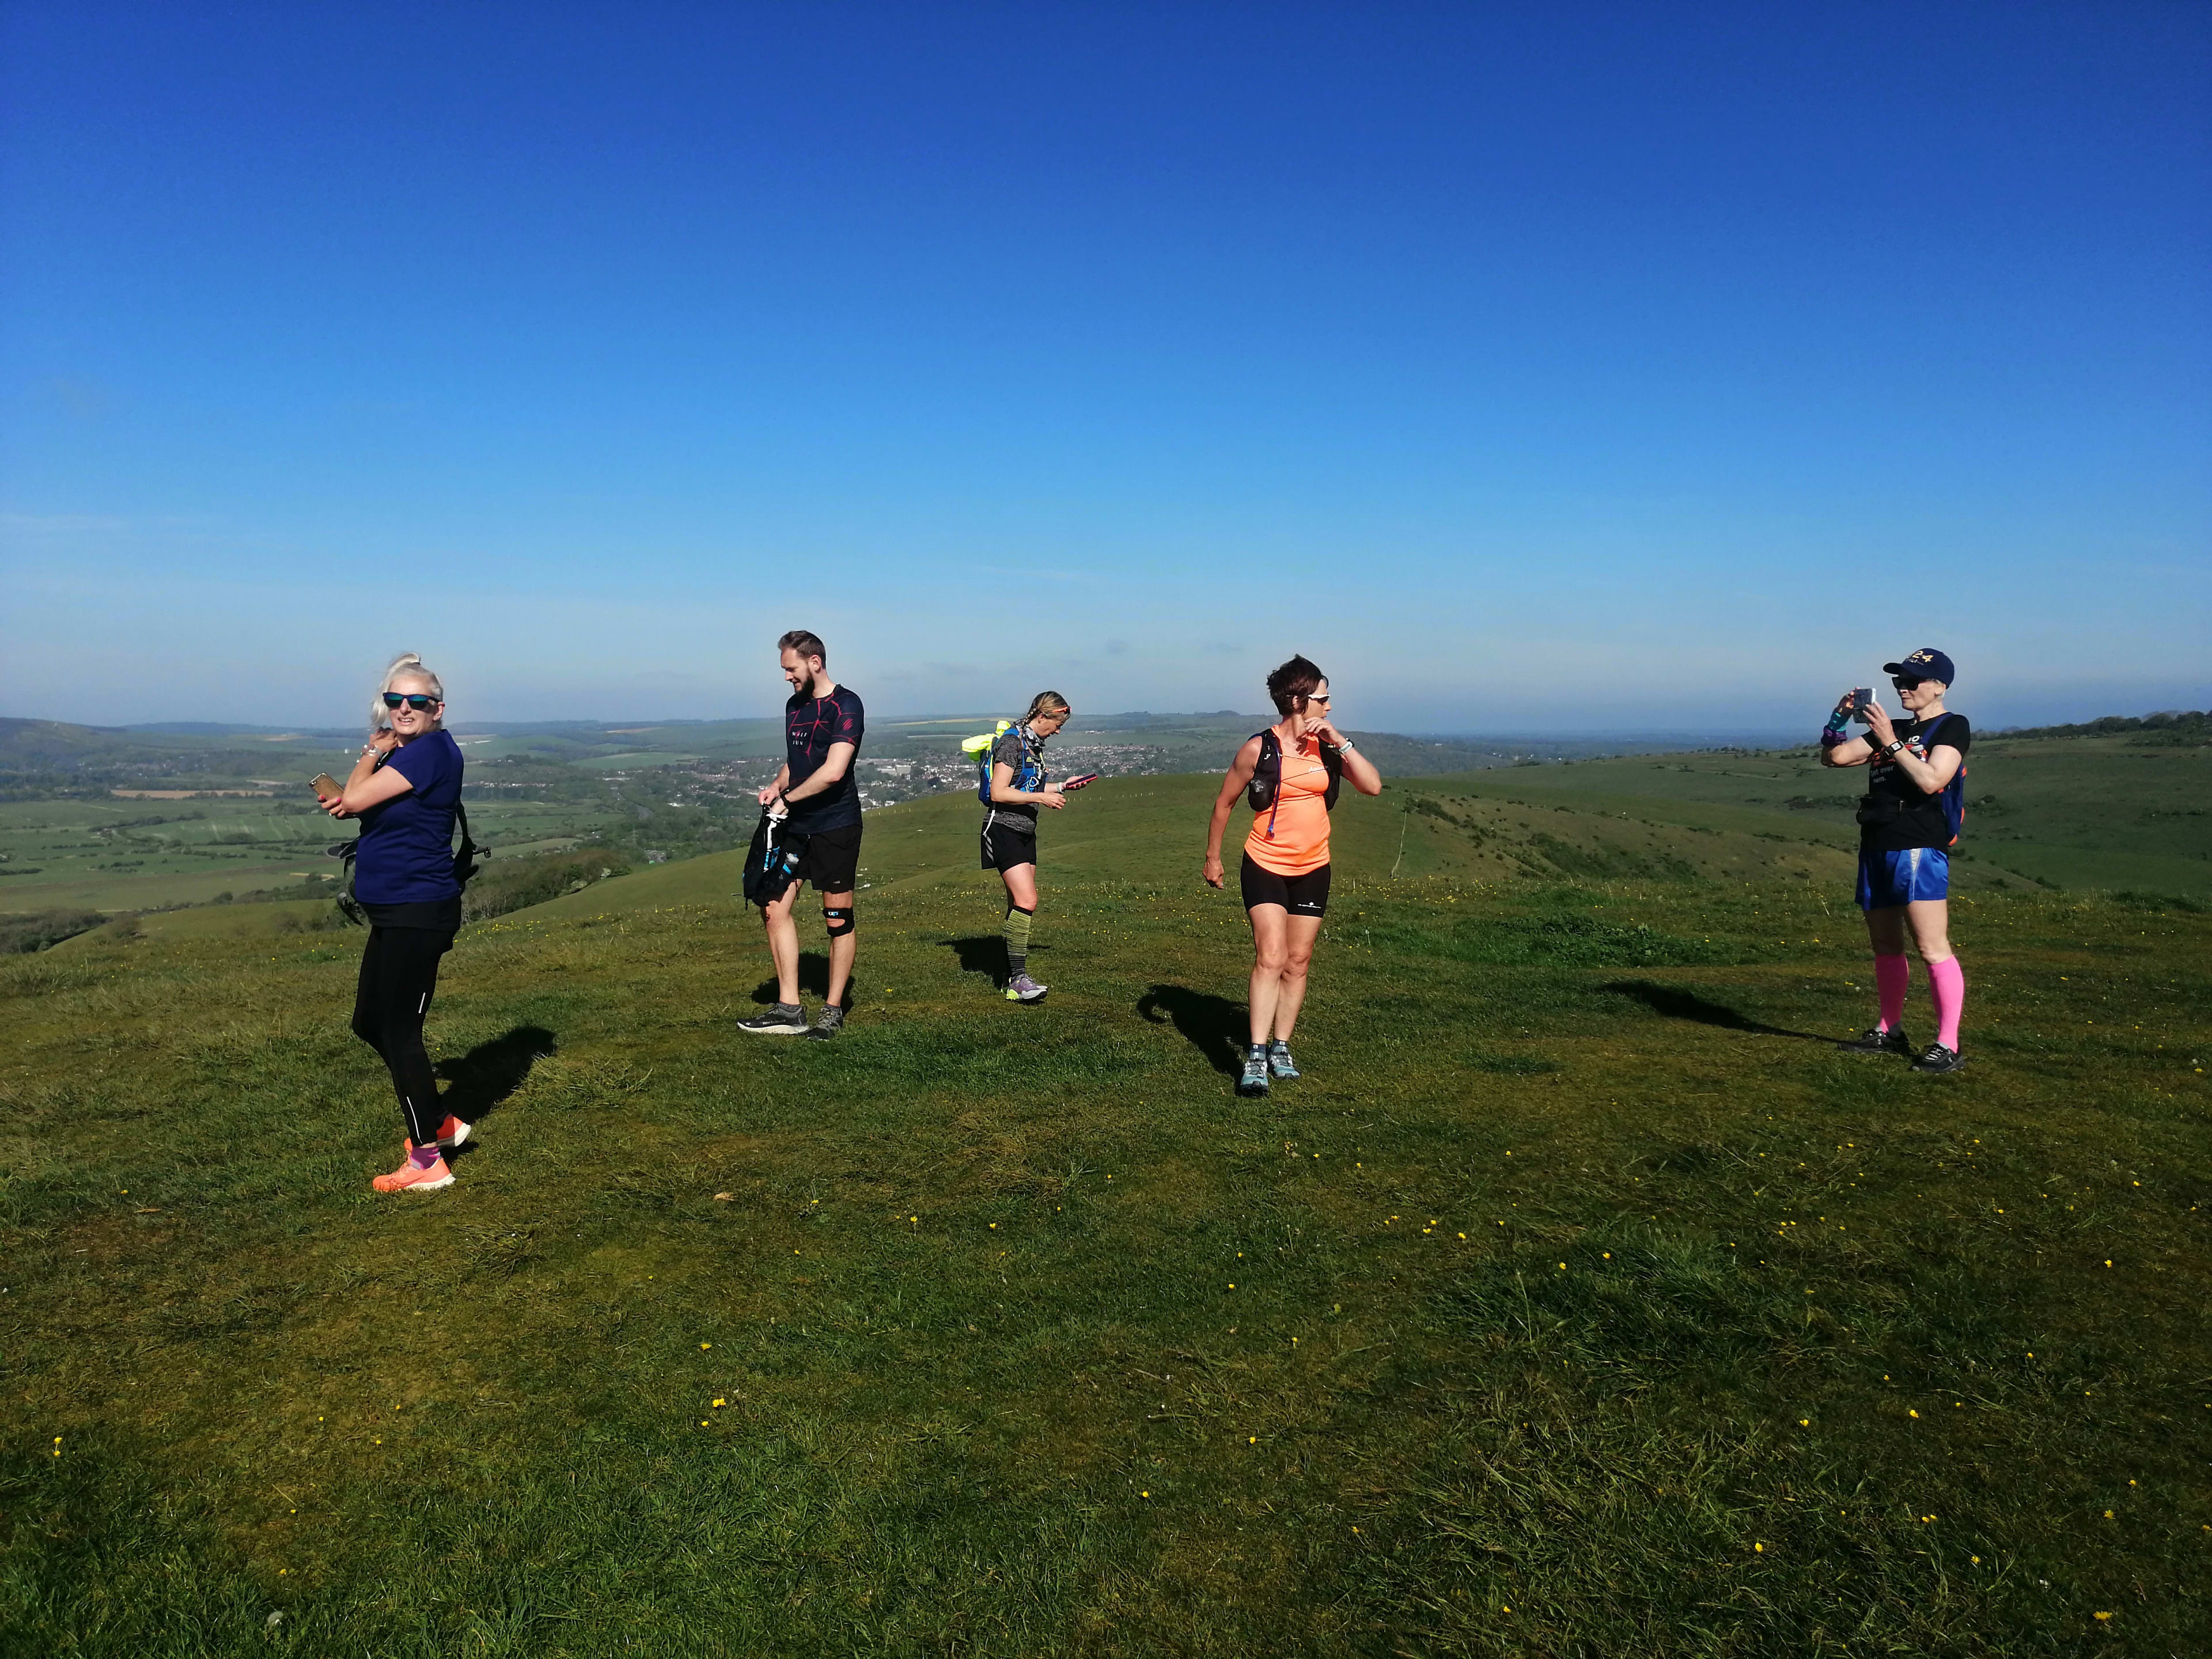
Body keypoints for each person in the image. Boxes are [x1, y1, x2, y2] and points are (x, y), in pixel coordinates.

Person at [319, 653, 471, 1192]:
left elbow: (356, 800)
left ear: (438, 710)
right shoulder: (412, 752)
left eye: (418, 702)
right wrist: (379, 759)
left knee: (399, 1031)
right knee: (368, 1022)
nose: (405, 709)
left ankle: (429, 1161)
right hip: (395, 909)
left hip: (418, 910)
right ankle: (439, 1122)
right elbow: (358, 802)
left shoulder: (426, 752)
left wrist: (371, 753)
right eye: (395, 701)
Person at [1201, 656, 1383, 1096]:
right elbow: (1225, 802)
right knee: (1271, 956)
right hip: (1264, 863)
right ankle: (1257, 1056)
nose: (1330, 706)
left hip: (1314, 866)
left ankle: (1282, 1048)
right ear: (1301, 700)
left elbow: (1373, 786)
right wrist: (1213, 857)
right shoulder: (1258, 748)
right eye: (1324, 699)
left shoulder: (1328, 747)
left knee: (1298, 961)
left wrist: (1339, 740)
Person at [1820, 646, 1972, 1074]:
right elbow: (1834, 758)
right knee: (1885, 945)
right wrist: (1837, 719)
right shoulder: (1895, 727)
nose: (1903, 688)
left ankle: (1948, 1043)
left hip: (1918, 844)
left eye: (1912, 681)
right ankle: (1889, 1028)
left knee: (1931, 946)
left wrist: (1890, 741)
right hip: (1878, 841)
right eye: (1898, 681)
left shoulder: (1952, 726)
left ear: (1940, 686)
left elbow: (1932, 780)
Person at [737, 630, 866, 1039]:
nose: (787, 677)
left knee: (837, 920)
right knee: (772, 907)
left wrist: (787, 800)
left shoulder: (847, 705)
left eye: (791, 669)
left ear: (815, 663)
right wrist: (778, 785)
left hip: (835, 826)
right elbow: (797, 762)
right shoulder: (794, 706)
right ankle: (789, 1008)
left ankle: (832, 1010)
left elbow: (832, 772)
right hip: (795, 827)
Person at [982, 691, 1089, 1002]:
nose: (1057, 731)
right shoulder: (1012, 742)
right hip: (1003, 829)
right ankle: (1018, 980)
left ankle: (1009, 973)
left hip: (1026, 829)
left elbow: (1028, 786)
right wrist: (1042, 798)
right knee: (1028, 900)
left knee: (1018, 902)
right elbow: (1000, 793)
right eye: (1056, 725)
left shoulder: (1031, 744)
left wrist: (1063, 786)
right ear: (1042, 717)